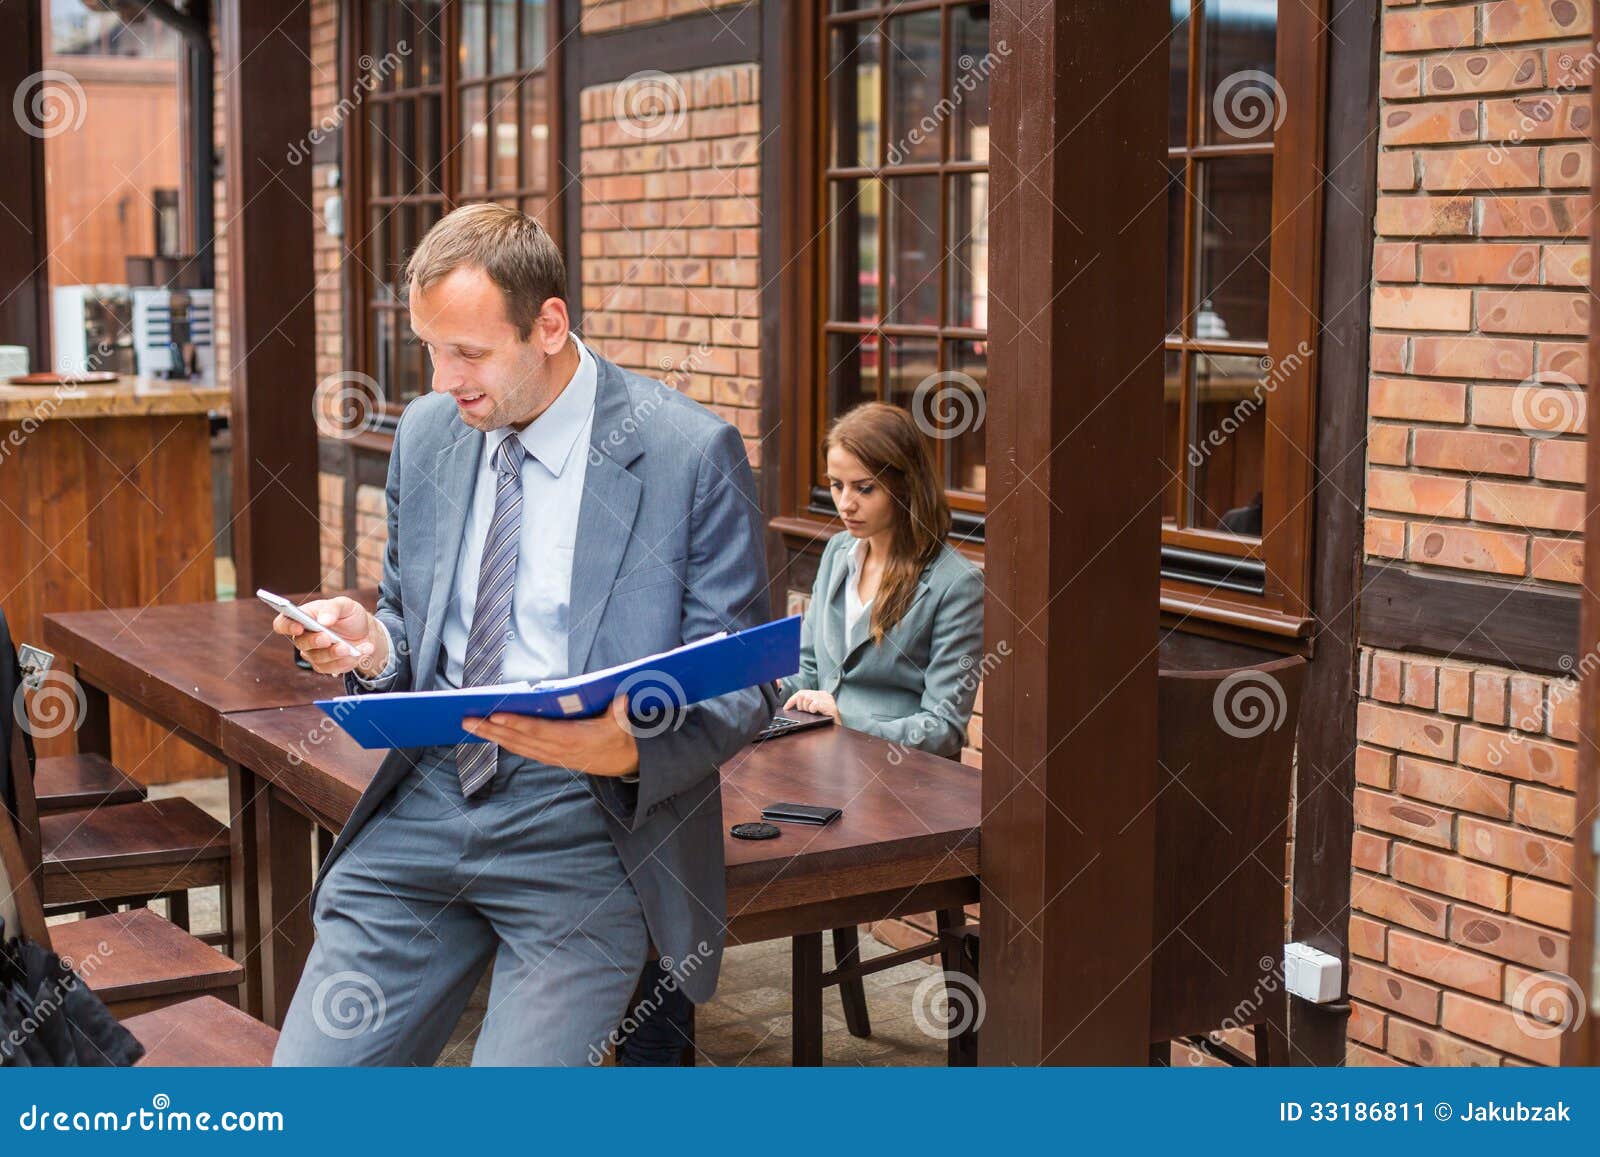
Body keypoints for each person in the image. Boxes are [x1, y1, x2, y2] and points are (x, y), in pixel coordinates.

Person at [269, 203, 774, 1066]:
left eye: (468, 353)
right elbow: (406, 616)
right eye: (431, 348)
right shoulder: (430, 433)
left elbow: (744, 678)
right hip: (424, 803)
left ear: (548, 324)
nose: (444, 380)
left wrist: (622, 746)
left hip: (584, 826)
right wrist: (371, 644)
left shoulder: (689, 454)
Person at [616, 401, 983, 1064]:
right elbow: (807, 669)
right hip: (811, 757)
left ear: (904, 484)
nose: (845, 502)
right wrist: (736, 694)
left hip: (899, 790)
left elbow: (944, 725)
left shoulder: (954, 584)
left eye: (863, 487)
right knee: (670, 835)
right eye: (837, 484)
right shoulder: (841, 553)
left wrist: (846, 717)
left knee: (706, 852)